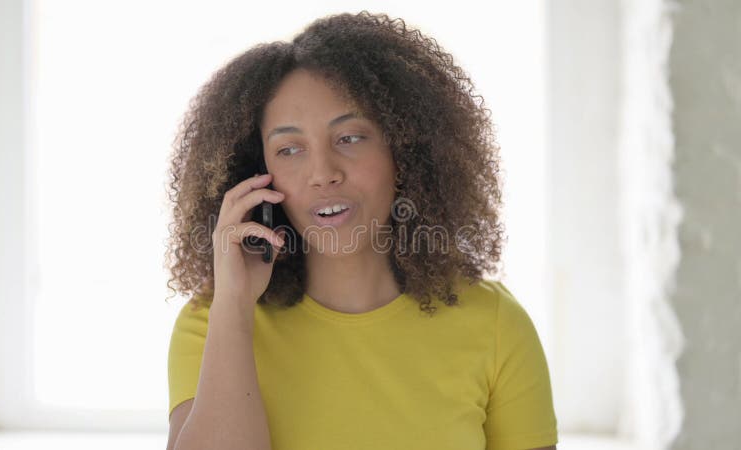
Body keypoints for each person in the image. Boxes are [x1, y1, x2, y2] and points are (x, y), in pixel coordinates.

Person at [163, 11, 557, 450]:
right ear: (259, 174)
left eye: (349, 137)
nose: (323, 173)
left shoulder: (496, 326)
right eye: (289, 149)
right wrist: (234, 307)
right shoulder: (211, 324)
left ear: (404, 150)